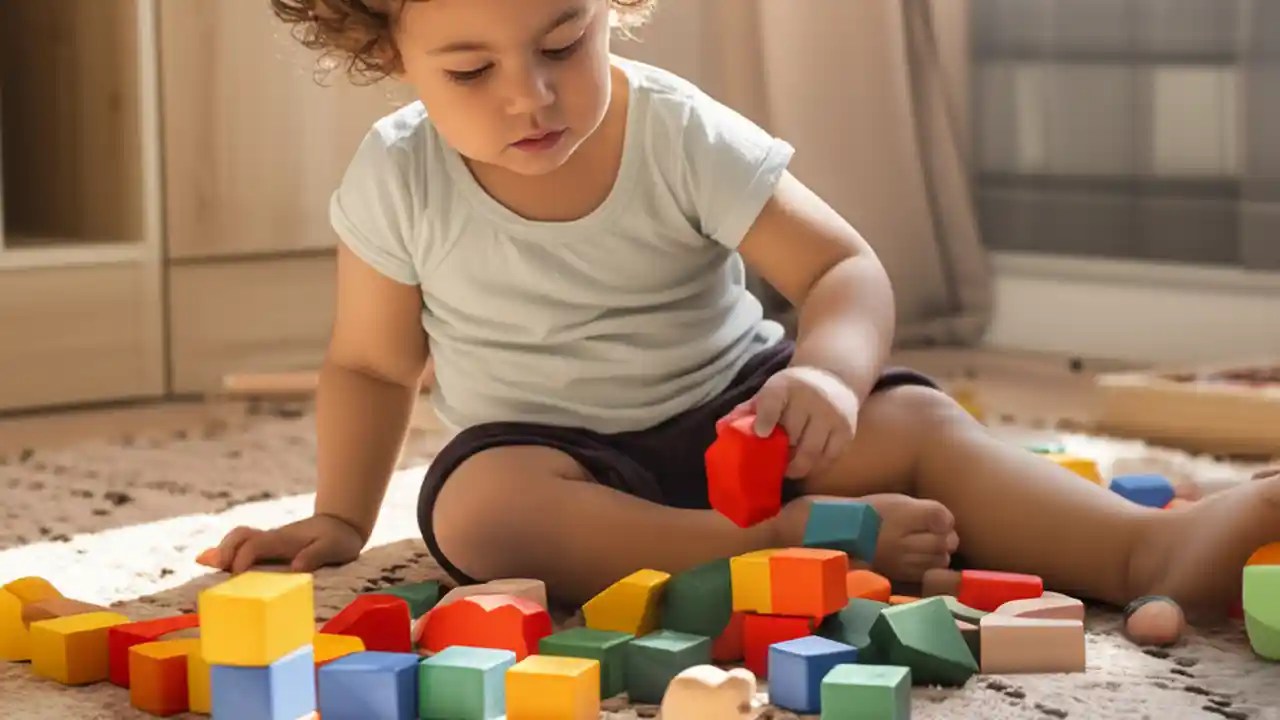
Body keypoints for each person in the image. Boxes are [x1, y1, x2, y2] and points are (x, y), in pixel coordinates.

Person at [206, 0, 1280, 621]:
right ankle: (761, 551)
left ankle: (1142, 555)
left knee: (917, 426)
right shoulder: (395, 179)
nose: (527, 95)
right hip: (556, 456)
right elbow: (371, 367)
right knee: (481, 510)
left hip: (746, 418)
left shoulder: (675, 130)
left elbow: (841, 269)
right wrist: (341, 519)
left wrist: (825, 375)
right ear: (385, 52)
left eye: (563, 41)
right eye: (470, 67)